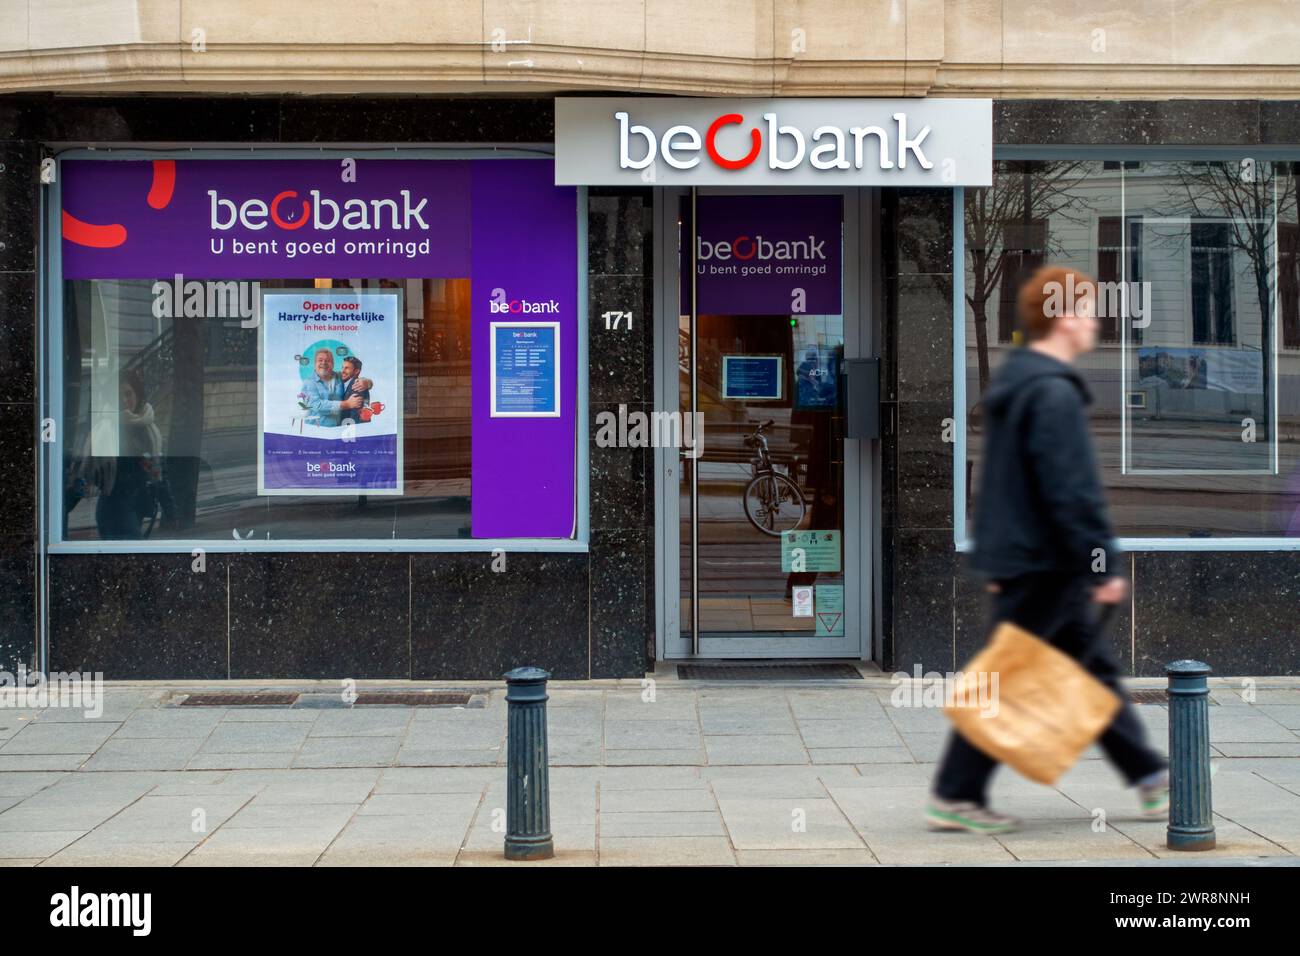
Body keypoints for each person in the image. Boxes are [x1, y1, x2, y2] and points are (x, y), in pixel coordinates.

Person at [926, 265, 1170, 834]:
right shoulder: (1051, 392)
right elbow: (1070, 489)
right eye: (1086, 309)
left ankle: (1149, 775)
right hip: (1046, 565)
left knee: (1087, 669)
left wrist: (993, 556)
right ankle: (956, 793)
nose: (1095, 320)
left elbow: (999, 483)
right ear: (1062, 318)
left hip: (1027, 561)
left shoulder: (1022, 382)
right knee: (1015, 678)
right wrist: (1100, 563)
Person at [301, 349, 362, 427]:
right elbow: (316, 405)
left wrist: (367, 382)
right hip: (317, 429)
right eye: (320, 360)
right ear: (315, 364)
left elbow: (352, 374)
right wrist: (346, 404)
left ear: (333, 364)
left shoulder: (338, 377)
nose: (324, 363)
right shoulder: (309, 382)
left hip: (338, 428)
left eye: (328, 360)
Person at [338, 355, 373, 424]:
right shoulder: (342, 383)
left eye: (347, 368)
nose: (342, 371)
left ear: (356, 371)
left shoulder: (357, 386)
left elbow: (355, 415)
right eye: (342, 367)